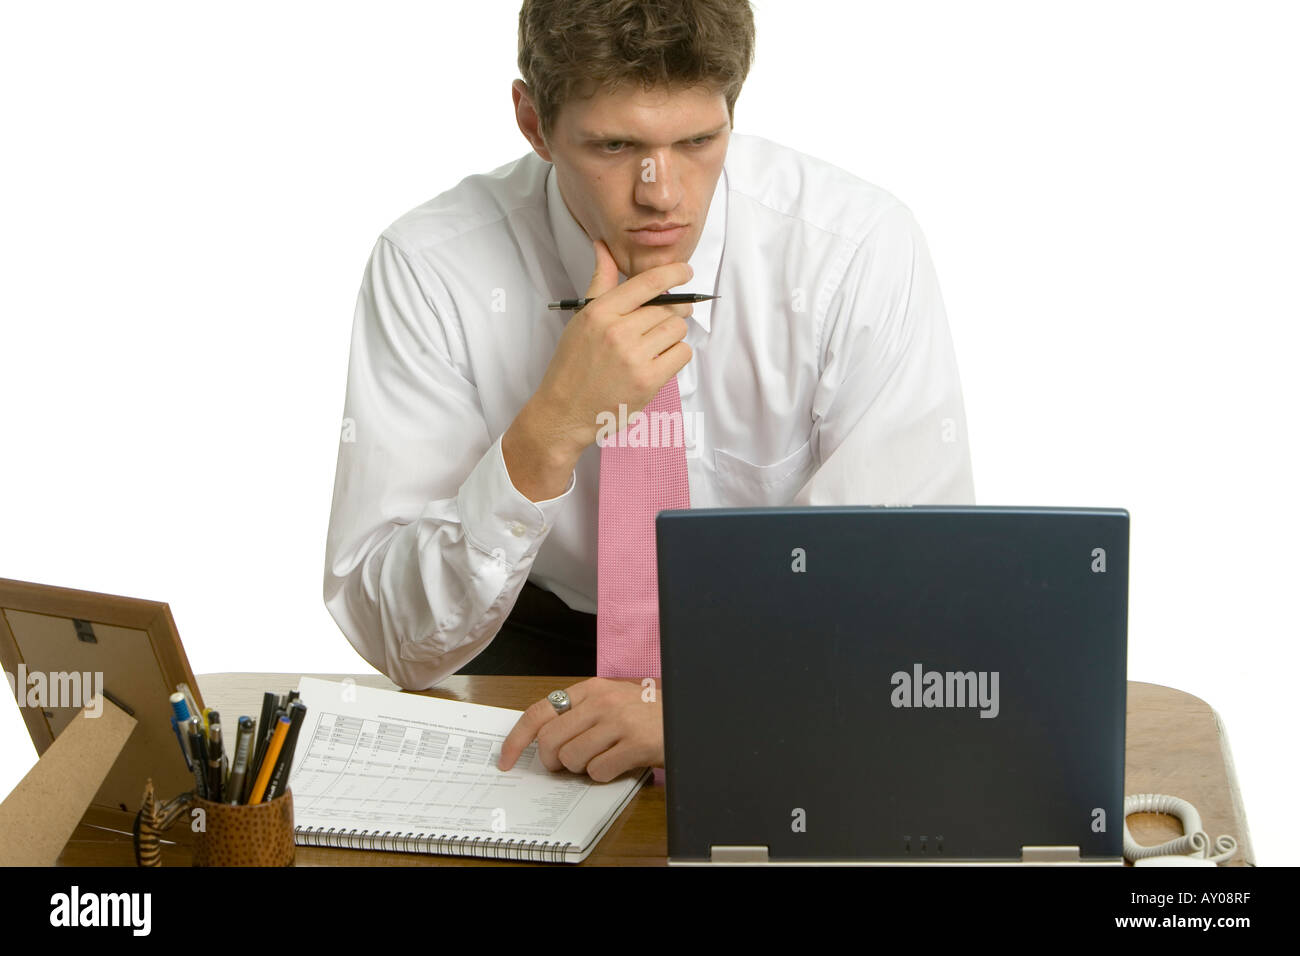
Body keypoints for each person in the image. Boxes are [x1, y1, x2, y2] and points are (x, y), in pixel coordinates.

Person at [323, 0, 974, 783]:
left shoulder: (855, 250)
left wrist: (709, 702)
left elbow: (907, 586)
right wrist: (549, 432)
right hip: (532, 635)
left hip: (791, 643)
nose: (662, 192)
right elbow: (388, 629)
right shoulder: (432, 267)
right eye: (614, 145)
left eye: (698, 141)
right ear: (533, 122)